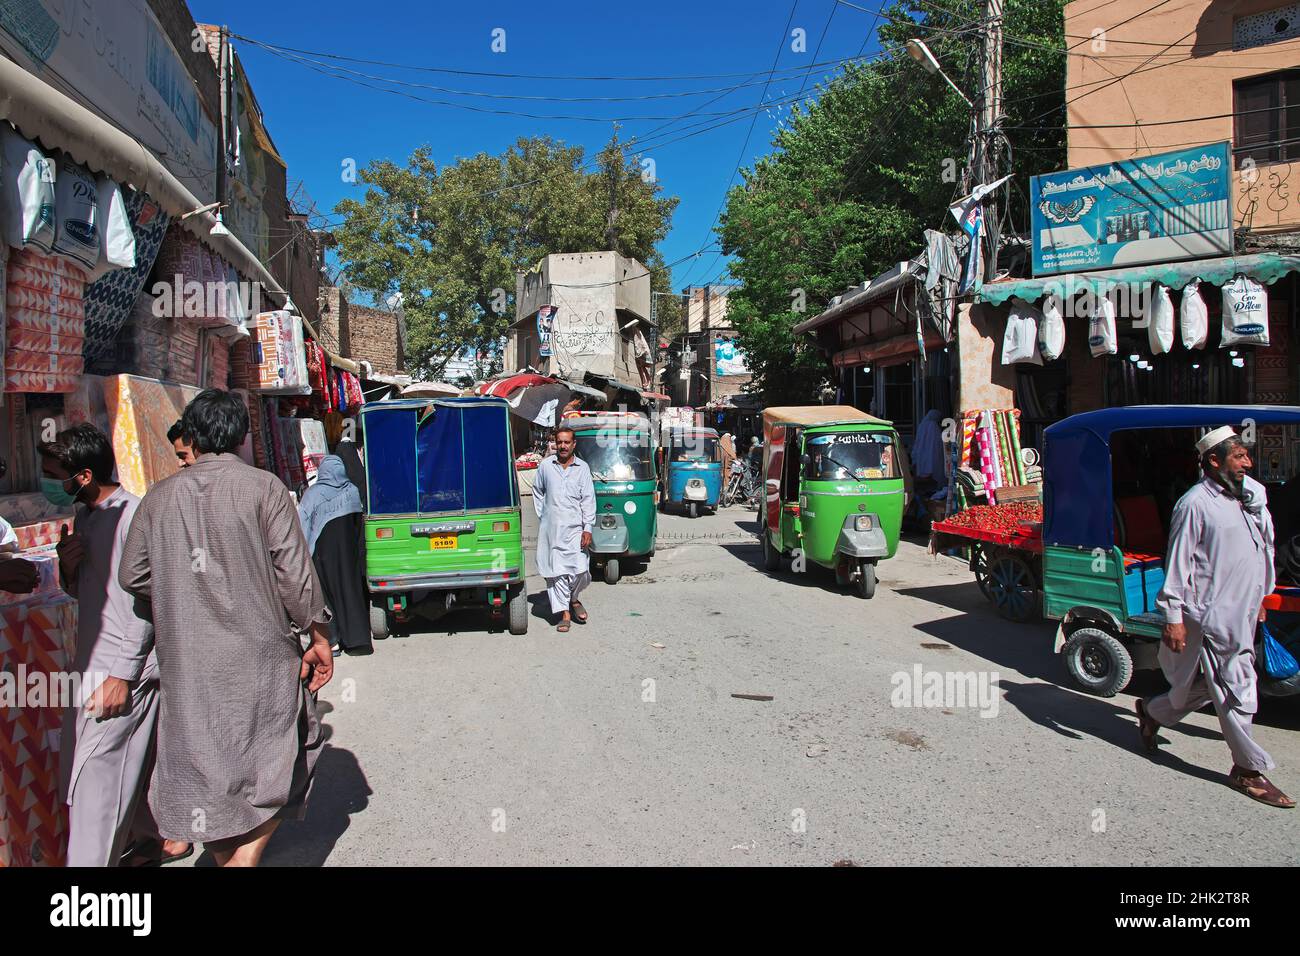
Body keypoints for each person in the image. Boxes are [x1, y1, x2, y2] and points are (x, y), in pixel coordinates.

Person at [120, 389, 335, 866]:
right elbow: (297, 580)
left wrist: (182, 591)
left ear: (193, 437)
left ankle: (232, 858)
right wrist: (319, 637)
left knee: (207, 768)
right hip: (260, 655)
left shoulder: (158, 499)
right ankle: (243, 858)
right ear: (241, 437)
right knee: (284, 753)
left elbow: (132, 575)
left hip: (188, 660)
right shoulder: (265, 489)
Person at [40, 425, 186, 866]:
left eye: (53, 475)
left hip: (125, 672)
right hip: (91, 669)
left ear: (82, 476)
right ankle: (157, 838)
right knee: (104, 770)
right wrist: (69, 570)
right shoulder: (85, 517)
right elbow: (90, 595)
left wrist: (123, 675)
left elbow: (148, 602)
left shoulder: (134, 517)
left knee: (96, 787)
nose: (48, 483)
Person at [1136, 426, 1294, 808]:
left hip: (1244, 610)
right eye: (1239, 456)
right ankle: (1247, 770)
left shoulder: (1249, 497)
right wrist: (1172, 616)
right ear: (1213, 460)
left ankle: (1152, 711)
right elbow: (1179, 563)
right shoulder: (1195, 504)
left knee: (1210, 688)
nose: (1248, 463)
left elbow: (1262, 549)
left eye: (1246, 456)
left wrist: (1260, 597)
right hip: (1211, 616)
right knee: (1236, 689)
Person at [298, 455, 371, 657]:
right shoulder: (353, 491)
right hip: (348, 556)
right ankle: (358, 641)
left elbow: (303, 526)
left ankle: (333, 642)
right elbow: (359, 524)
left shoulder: (312, 494)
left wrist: (302, 554)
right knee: (350, 593)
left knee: (325, 598)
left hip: (322, 555)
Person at [533, 425, 595, 633]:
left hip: (576, 530)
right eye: (559, 442)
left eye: (567, 442)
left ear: (573, 444)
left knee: (581, 571)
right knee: (557, 573)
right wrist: (545, 516)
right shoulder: (546, 466)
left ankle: (574, 598)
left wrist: (588, 528)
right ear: (555, 443)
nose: (563, 446)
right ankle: (565, 614)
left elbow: (588, 499)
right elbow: (538, 491)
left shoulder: (583, 468)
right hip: (552, 531)